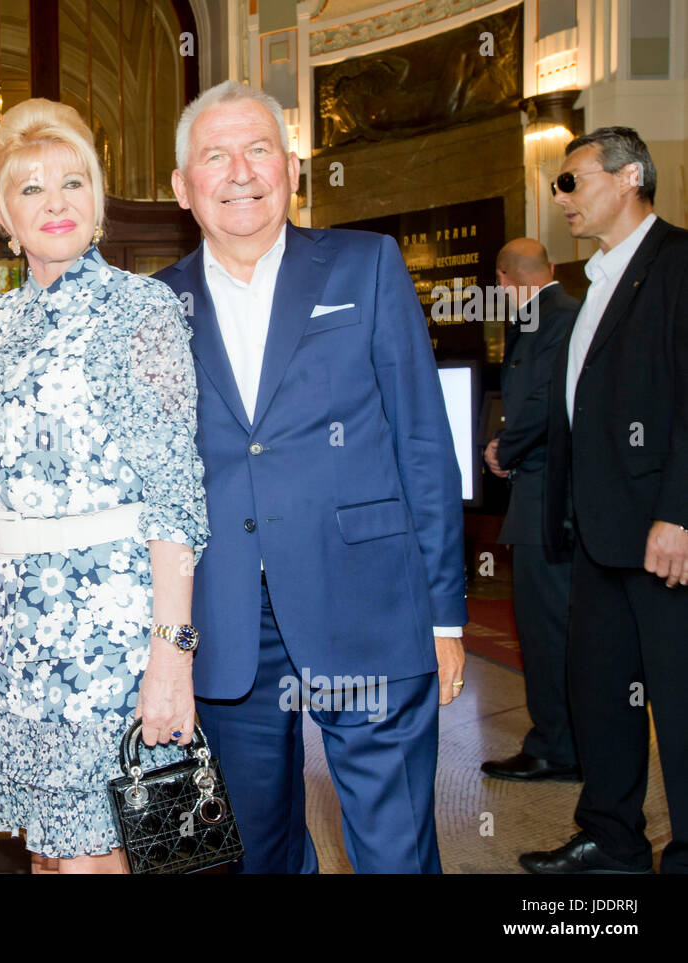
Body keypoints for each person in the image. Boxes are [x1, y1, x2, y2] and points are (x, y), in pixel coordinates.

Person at [155, 81, 467, 874]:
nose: (240, 171)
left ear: (292, 168)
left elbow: (422, 442)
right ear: (181, 187)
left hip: (372, 605)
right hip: (228, 624)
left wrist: (444, 615)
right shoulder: (154, 306)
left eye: (259, 149)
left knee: (396, 851)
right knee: (256, 852)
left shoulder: (365, 265)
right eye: (215, 156)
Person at [0, 98, 209, 874]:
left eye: (73, 183)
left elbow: (175, 492)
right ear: (4, 213)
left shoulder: (140, 308)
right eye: (31, 189)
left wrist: (172, 657)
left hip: (102, 630)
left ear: (98, 204)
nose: (54, 202)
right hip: (6, 629)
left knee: (101, 856)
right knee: (48, 853)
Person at [524, 126, 688, 874]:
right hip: (595, 532)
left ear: (628, 178)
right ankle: (613, 838)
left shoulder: (679, 263)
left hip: (662, 531)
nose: (560, 197)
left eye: (571, 180)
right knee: (602, 693)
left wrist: (679, 512)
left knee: (679, 700)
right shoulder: (592, 279)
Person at [480, 239, 581, 783]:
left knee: (546, 632)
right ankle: (568, 741)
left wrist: (503, 448)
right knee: (555, 629)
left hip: (548, 498)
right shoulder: (560, 314)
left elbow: (545, 402)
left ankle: (556, 748)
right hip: (547, 494)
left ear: (505, 278)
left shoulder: (553, 318)